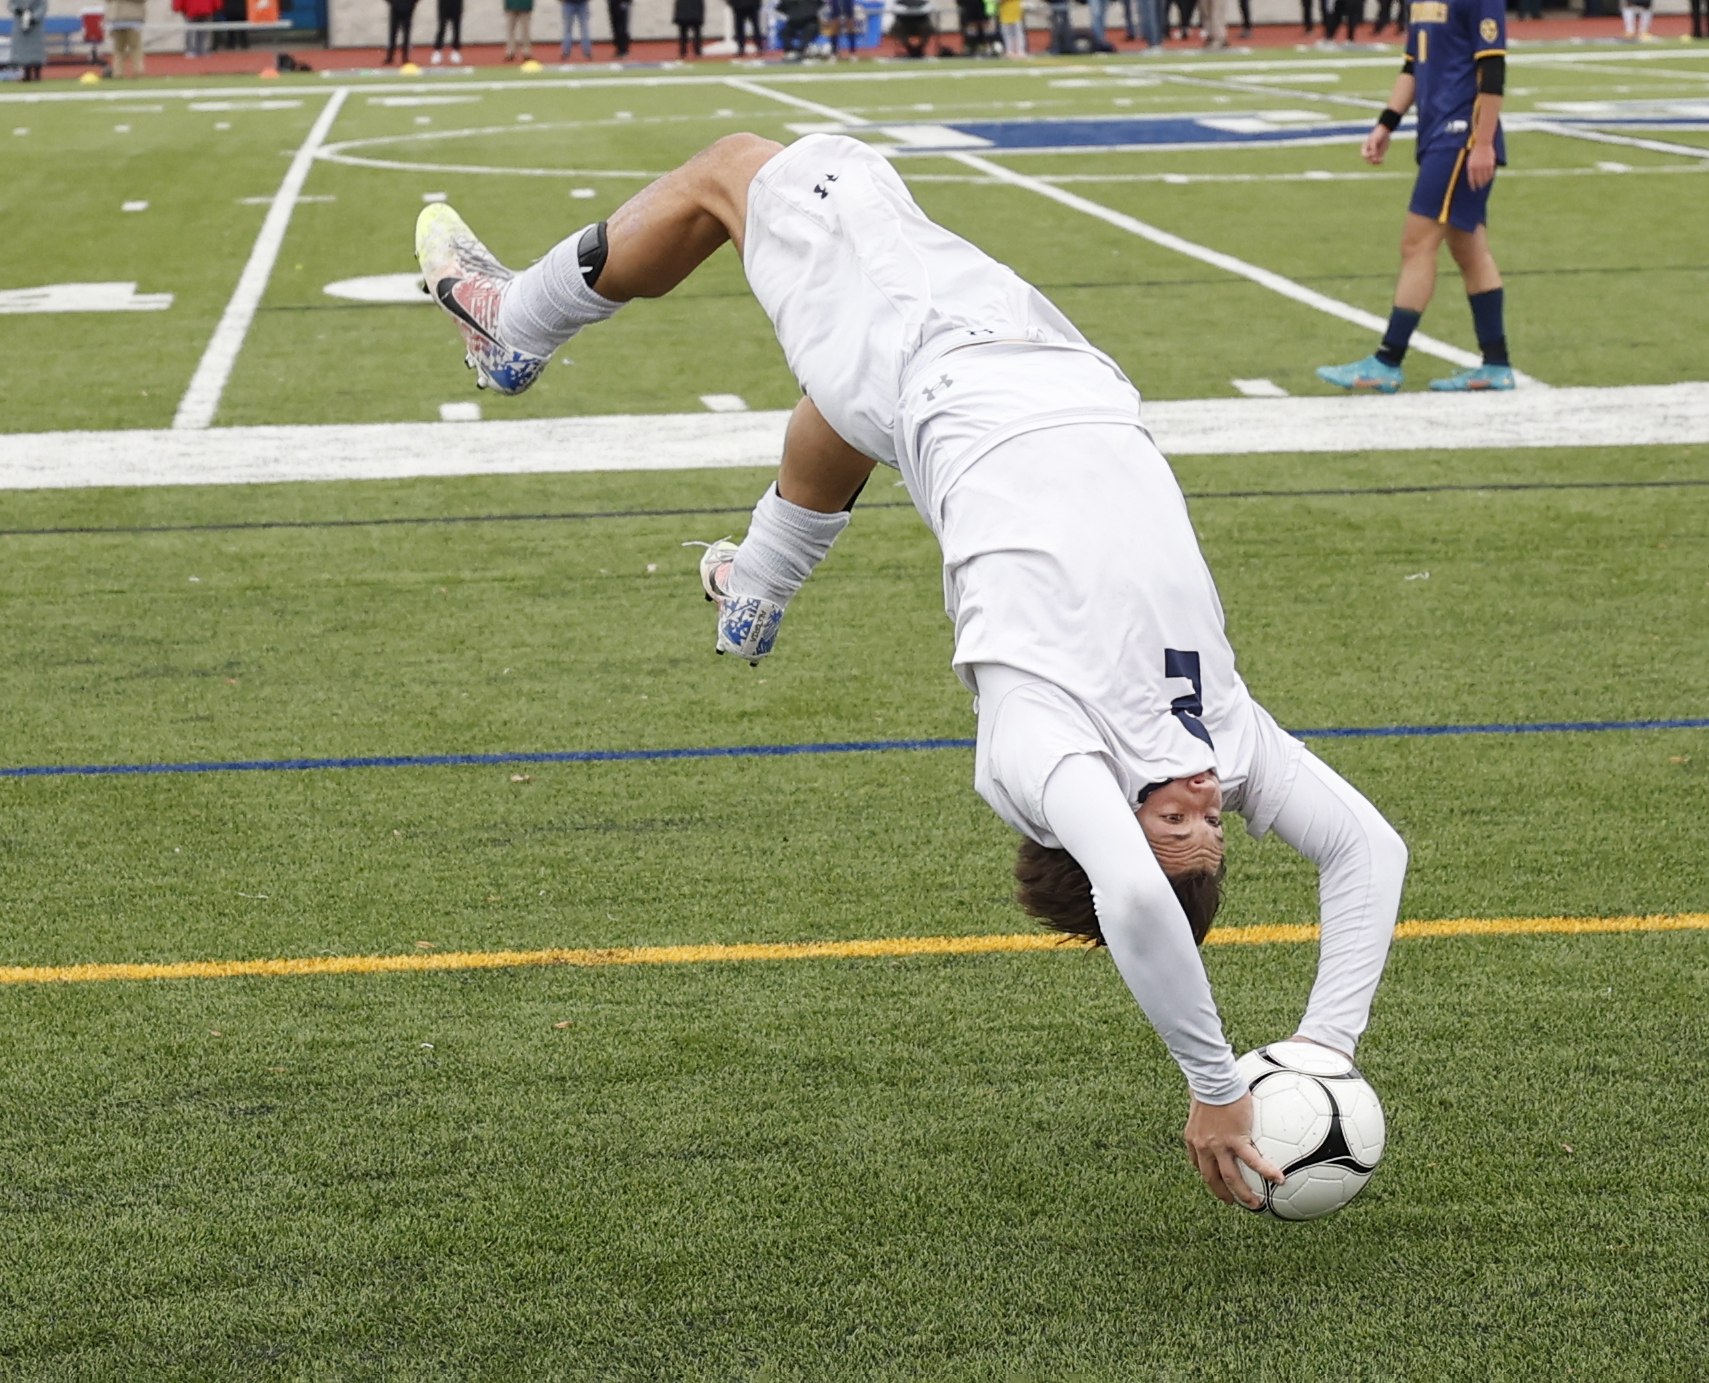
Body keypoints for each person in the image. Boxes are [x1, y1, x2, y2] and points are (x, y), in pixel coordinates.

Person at [407, 134, 1409, 1208]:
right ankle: (754, 587)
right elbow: (1367, 849)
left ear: (1101, 821)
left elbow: (1129, 891)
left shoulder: (1041, 742)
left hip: (946, 364)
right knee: (845, 388)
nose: (1205, 797)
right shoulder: (1223, 738)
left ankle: (513, 326)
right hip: (1046, 366)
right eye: (1210, 823)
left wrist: (1214, 1085)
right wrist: (1324, 1044)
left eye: (1177, 822)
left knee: (741, 171)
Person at [1318, 0, 1513, 393]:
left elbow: (1492, 70)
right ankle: (1496, 364)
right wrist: (1385, 124)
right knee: (1469, 249)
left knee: (1417, 243)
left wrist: (1483, 143)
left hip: (1461, 136)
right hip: (1435, 133)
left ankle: (1387, 360)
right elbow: (1413, 66)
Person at [104, 0, 142, 74]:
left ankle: (118, 72)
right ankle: (138, 71)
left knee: (119, 49)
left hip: (116, 16)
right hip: (133, 18)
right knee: (135, 47)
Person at [7, 0, 44, 76]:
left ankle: (37, 73)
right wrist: (18, 10)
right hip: (20, 25)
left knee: (36, 51)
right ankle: (26, 73)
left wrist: (33, 17)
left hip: (35, 26)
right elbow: (11, 4)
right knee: (23, 52)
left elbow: (43, 6)